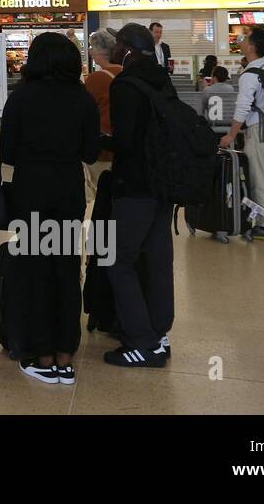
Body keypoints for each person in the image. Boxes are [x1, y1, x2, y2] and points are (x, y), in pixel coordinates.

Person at [0, 32, 101, 384]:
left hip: (31, 190)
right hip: (67, 190)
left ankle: (41, 354)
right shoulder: (83, 98)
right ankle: (64, 356)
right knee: (66, 267)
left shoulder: (22, 98)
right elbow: (90, 153)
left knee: (35, 269)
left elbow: (7, 153)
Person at [102, 22, 176, 369]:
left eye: (117, 43)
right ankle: (159, 334)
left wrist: (98, 140)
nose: (113, 49)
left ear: (127, 49)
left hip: (134, 186)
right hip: (164, 185)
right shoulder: (163, 79)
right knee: (158, 261)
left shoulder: (125, 85)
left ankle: (143, 343)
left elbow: (126, 143)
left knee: (119, 262)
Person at [219, 27, 264, 242]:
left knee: (260, 179)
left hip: (260, 132)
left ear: (251, 47)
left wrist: (231, 135)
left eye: (244, 39)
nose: (240, 41)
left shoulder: (250, 75)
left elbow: (242, 108)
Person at [83, 27, 121, 199]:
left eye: (91, 48)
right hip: (125, 147)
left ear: (99, 52)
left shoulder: (96, 79)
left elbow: (86, 113)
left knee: (102, 196)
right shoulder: (126, 72)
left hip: (103, 150)